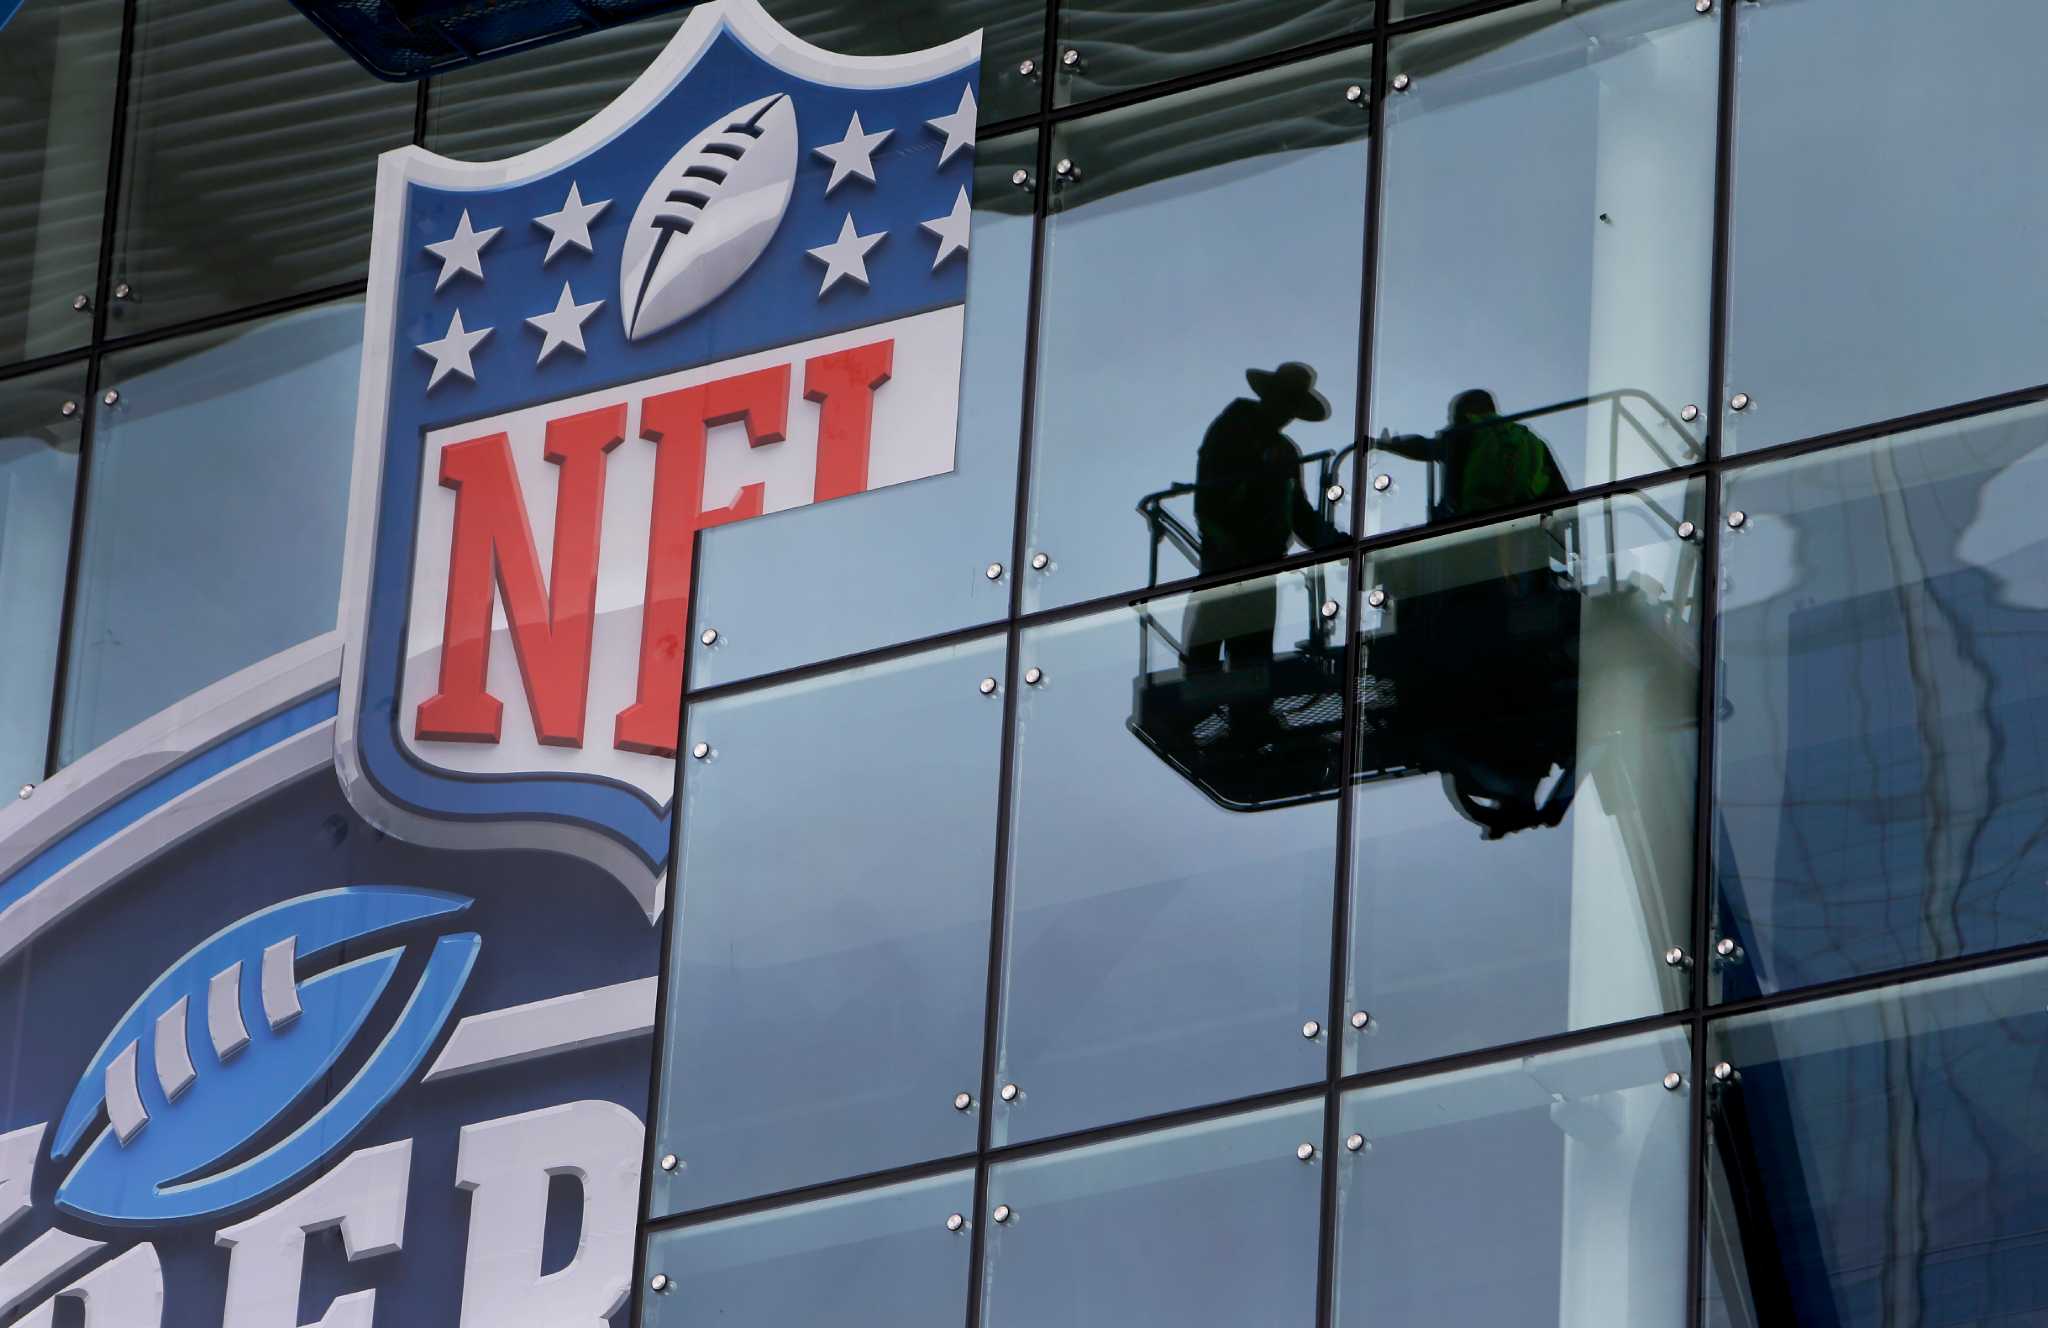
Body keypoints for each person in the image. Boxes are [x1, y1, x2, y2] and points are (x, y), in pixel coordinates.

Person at [1182, 362, 1345, 674]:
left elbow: (1298, 512)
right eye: (1286, 400)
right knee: (1210, 638)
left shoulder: (1284, 450)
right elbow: (1210, 494)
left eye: (1293, 404)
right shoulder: (1232, 427)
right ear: (1270, 396)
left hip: (1263, 557)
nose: (1288, 411)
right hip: (1226, 550)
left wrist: (1334, 541)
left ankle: (1249, 711)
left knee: (1253, 647)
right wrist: (1223, 538)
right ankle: (1201, 692)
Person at [1378, 388, 1570, 524]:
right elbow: (1561, 494)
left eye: (1452, 415)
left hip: (1476, 525)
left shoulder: (1466, 432)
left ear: (1465, 412)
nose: (1449, 421)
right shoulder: (1531, 440)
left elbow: (1425, 447)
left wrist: (1389, 445)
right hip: (1527, 529)